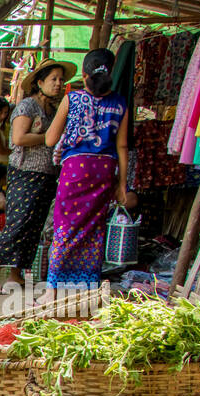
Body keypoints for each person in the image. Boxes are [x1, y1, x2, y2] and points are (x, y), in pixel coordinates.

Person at [42, 48, 130, 297]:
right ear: (110, 72)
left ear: (84, 73)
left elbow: (50, 140)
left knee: (65, 226)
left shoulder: (72, 98)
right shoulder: (120, 103)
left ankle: (53, 289)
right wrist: (122, 183)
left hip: (75, 170)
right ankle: (87, 287)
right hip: (104, 170)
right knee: (94, 229)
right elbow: (122, 146)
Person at [0, 59, 72, 295]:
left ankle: (16, 273)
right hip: (25, 172)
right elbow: (18, 139)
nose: (58, 84)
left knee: (33, 226)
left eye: (61, 79)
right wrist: (47, 137)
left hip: (46, 173)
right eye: (53, 79)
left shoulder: (53, 110)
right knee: (17, 223)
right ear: (40, 82)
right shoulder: (26, 106)